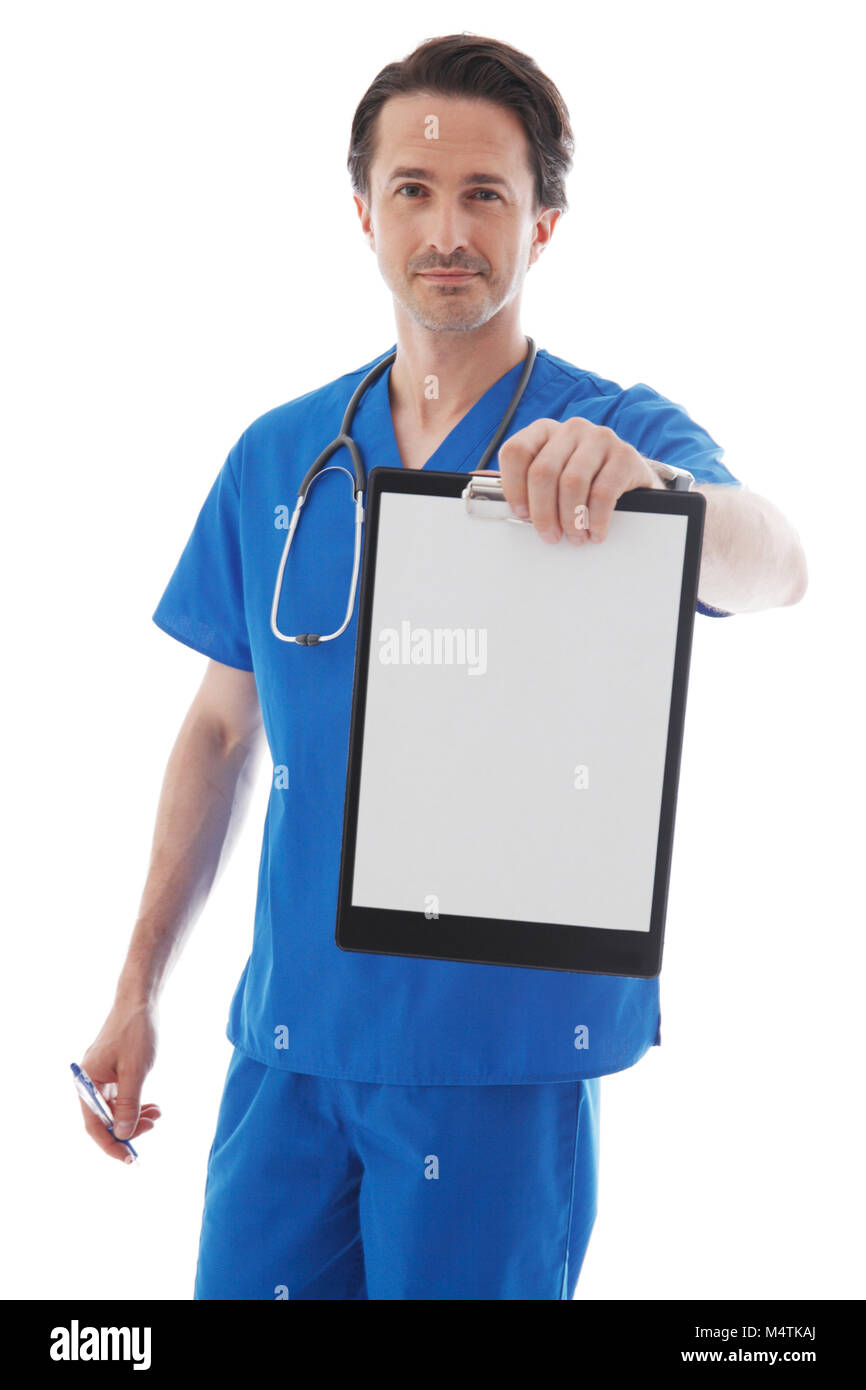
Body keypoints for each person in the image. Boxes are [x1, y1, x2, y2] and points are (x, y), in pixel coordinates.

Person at [77, 33, 808, 1300]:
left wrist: (656, 494)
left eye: (486, 194)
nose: (446, 228)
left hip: (494, 1065)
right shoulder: (281, 455)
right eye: (412, 192)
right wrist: (136, 988)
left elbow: (775, 561)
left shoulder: (607, 431)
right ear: (363, 213)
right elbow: (216, 733)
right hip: (291, 1047)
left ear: (544, 224)